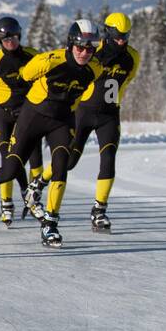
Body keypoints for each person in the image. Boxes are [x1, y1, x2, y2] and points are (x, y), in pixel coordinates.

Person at [0, 20, 103, 247]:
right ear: (70, 44)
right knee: (10, 170)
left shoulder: (96, 68)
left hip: (62, 121)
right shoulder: (48, 60)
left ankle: (50, 224)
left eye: (90, 48)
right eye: (80, 47)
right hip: (32, 117)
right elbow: (26, 76)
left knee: (61, 166)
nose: (85, 53)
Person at [67, 12, 139, 233]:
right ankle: (40, 181)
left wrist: (114, 103)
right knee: (69, 161)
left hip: (109, 115)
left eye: (125, 36)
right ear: (107, 32)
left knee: (108, 158)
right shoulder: (93, 52)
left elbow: (125, 82)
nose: (122, 41)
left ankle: (99, 210)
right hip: (84, 112)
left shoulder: (132, 56)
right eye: (118, 36)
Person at [0, 15, 43, 227]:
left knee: (35, 158)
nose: (11, 43)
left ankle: (34, 199)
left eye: (14, 38)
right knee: (9, 162)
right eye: (6, 40)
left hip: (28, 115)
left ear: (19, 36)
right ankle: (7, 203)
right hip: (3, 115)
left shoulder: (32, 56)